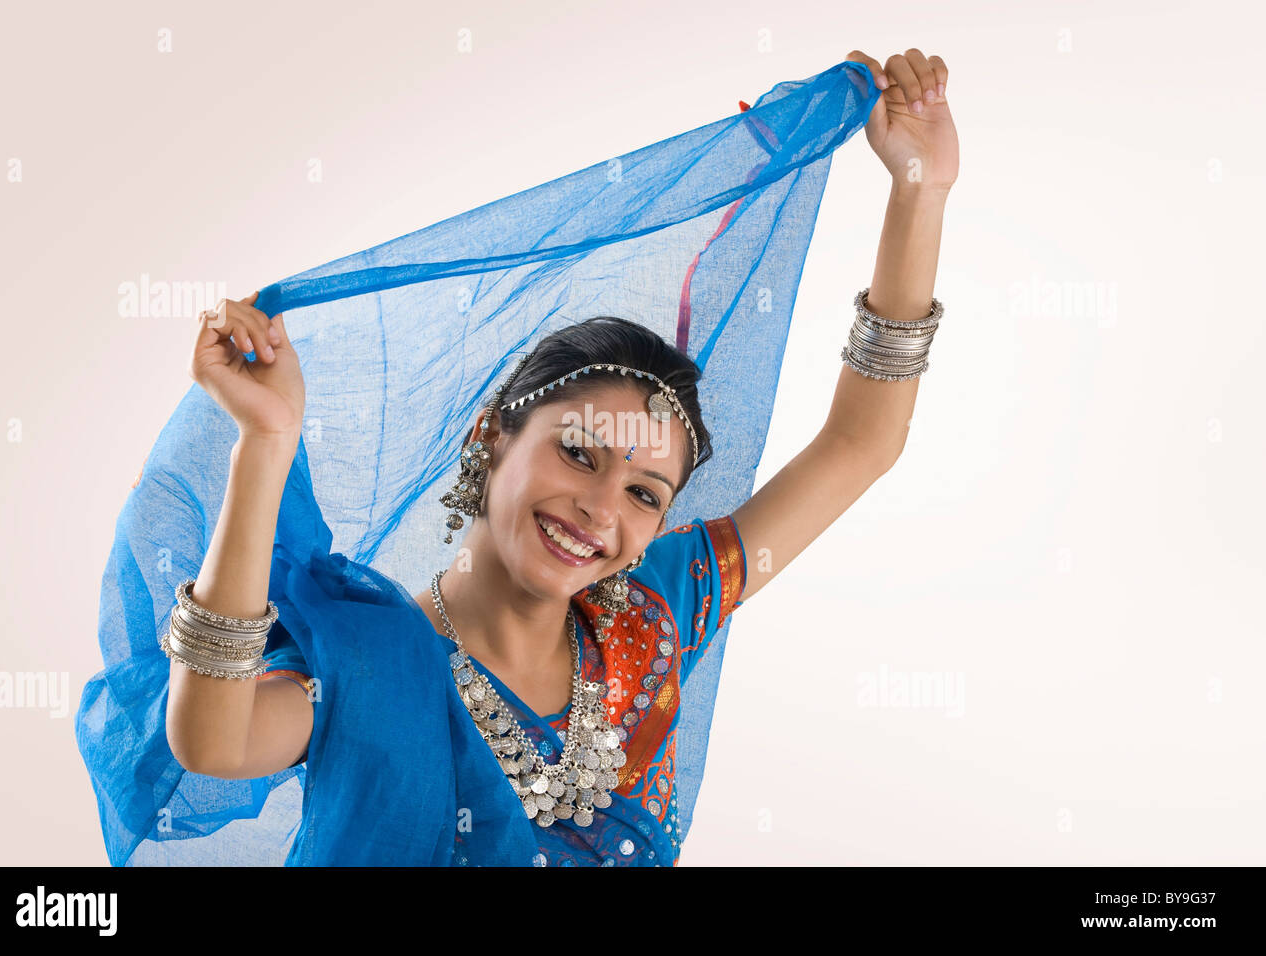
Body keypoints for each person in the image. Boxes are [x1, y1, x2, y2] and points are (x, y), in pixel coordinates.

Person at [77, 48, 957, 865]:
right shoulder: (377, 658)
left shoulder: (650, 623)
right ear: (491, 434)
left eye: (647, 493)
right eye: (579, 453)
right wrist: (266, 448)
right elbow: (212, 740)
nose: (601, 510)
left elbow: (861, 442)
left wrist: (920, 191)